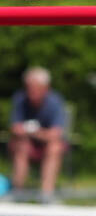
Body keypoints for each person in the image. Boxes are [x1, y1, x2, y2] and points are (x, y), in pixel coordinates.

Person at [8, 67, 67, 201]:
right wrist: (36, 133)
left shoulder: (55, 102)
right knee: (21, 145)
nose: (31, 93)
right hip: (25, 144)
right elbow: (15, 128)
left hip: (48, 145)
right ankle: (18, 191)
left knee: (55, 147)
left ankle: (47, 193)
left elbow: (56, 134)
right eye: (29, 88)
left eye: (35, 89)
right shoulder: (20, 99)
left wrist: (32, 131)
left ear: (46, 88)